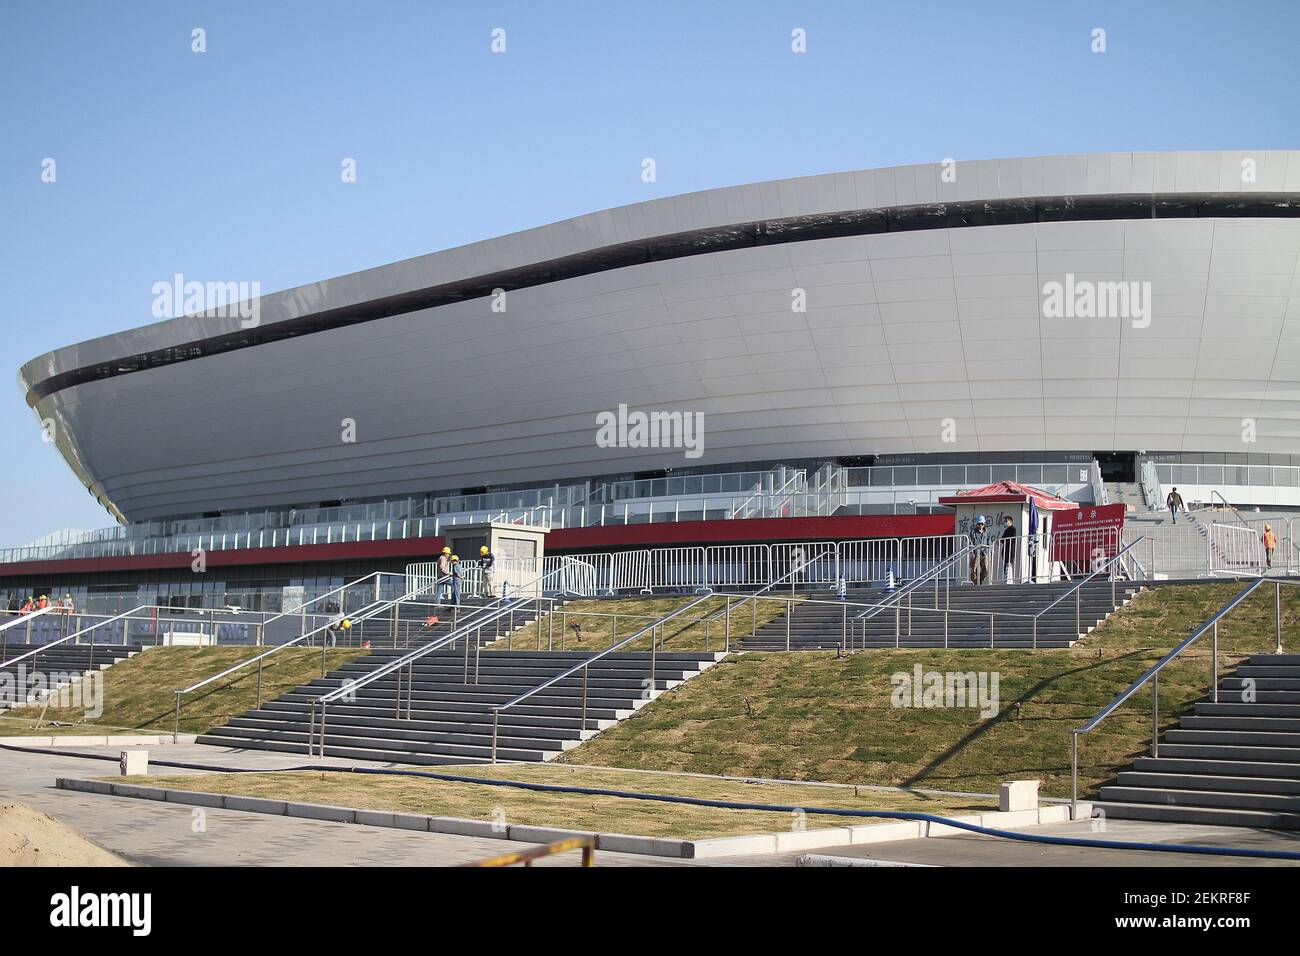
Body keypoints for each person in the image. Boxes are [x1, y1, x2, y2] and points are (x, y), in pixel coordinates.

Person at [969, 516, 991, 585]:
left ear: (984, 524)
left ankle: (980, 580)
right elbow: (971, 542)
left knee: (986, 569)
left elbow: (988, 542)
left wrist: (988, 552)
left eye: (982, 524)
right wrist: (972, 553)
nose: (980, 526)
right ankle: (975, 582)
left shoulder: (987, 532)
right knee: (974, 569)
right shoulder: (973, 532)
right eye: (979, 524)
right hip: (976, 553)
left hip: (984, 553)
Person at [1000, 515, 1018, 583]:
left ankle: (1009, 580)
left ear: (1009, 522)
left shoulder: (1013, 529)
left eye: (1005, 521)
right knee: (1005, 565)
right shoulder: (1006, 530)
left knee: (1009, 565)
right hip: (1005, 550)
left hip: (1010, 550)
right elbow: (1002, 539)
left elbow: (1012, 538)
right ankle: (1006, 580)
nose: (1004, 523)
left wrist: (1006, 540)